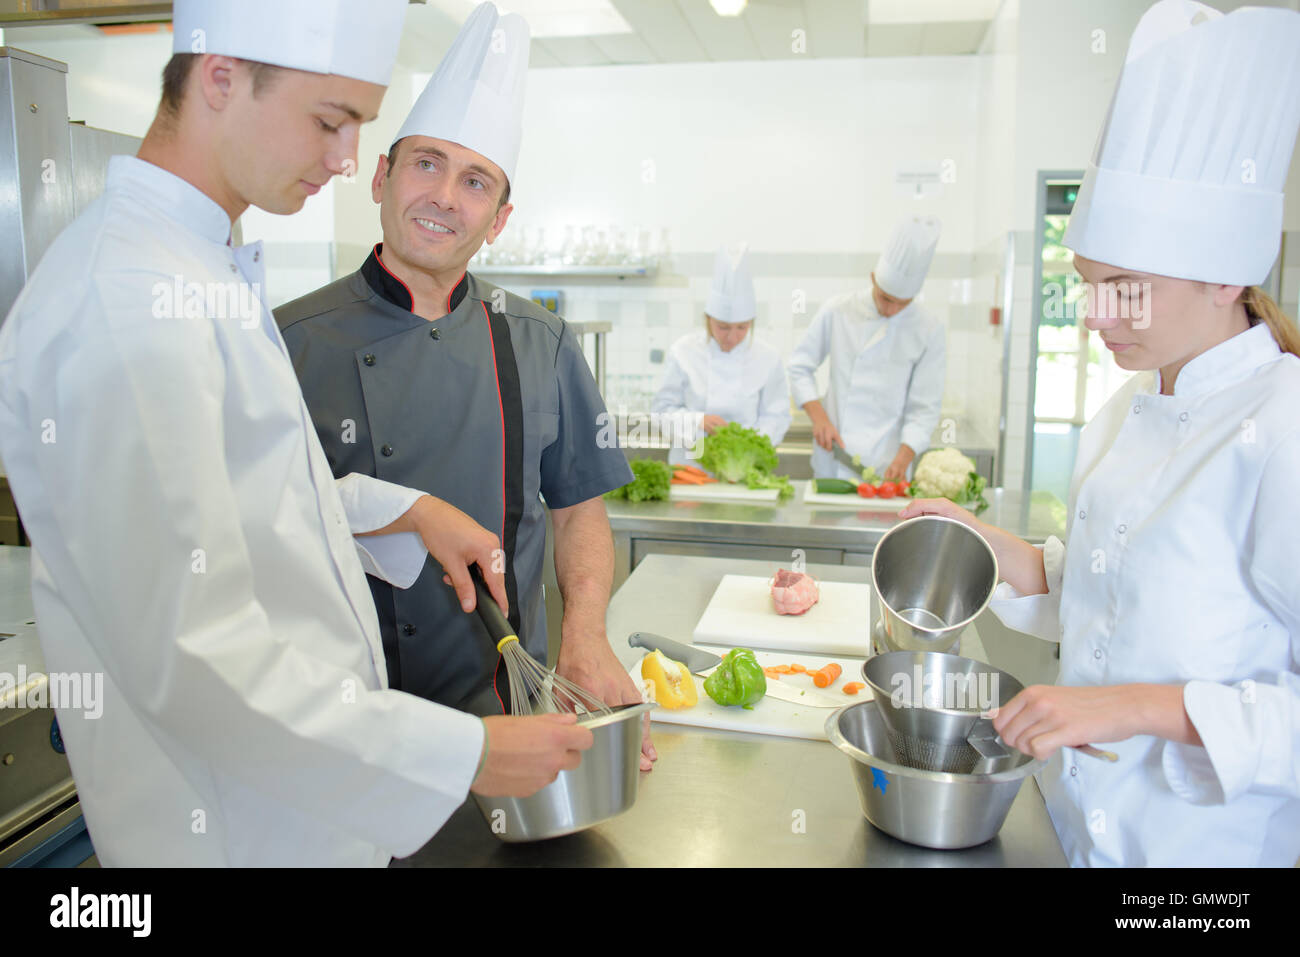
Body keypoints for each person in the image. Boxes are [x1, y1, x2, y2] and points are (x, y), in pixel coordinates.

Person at [0, 0, 592, 867]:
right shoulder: (124, 304)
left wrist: (402, 508)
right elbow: (194, 658)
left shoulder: (196, 266)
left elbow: (244, 503)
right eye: (331, 120)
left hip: (301, 824)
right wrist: (465, 751)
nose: (349, 159)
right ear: (222, 76)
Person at [901, 0, 1300, 867]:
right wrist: (981, 541)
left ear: (1227, 276)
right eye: (1086, 284)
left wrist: (1136, 705)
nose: (1093, 316)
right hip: (1076, 828)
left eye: (1123, 285)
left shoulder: (1286, 426)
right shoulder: (1127, 412)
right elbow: (1110, 588)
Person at [275, 4, 653, 768]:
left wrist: (584, 635)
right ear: (381, 175)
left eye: (475, 181)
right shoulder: (285, 344)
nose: (446, 196)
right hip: (348, 730)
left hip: (512, 713)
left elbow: (580, 507)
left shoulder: (538, 340)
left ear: (500, 218)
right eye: (426, 163)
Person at [788, 215, 945, 481]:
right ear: (873, 278)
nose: (891, 310)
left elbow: (924, 408)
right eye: (886, 298)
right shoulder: (838, 310)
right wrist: (820, 419)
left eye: (902, 303)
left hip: (888, 464)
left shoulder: (929, 328)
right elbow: (799, 367)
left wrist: (904, 458)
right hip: (833, 459)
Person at [651, 243, 791, 467]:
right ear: (708, 319)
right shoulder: (683, 352)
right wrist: (697, 421)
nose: (732, 337)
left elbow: (777, 416)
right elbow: (661, 412)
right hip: (691, 466)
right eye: (724, 327)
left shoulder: (768, 358)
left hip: (746, 467)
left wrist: (749, 446)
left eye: (742, 328)